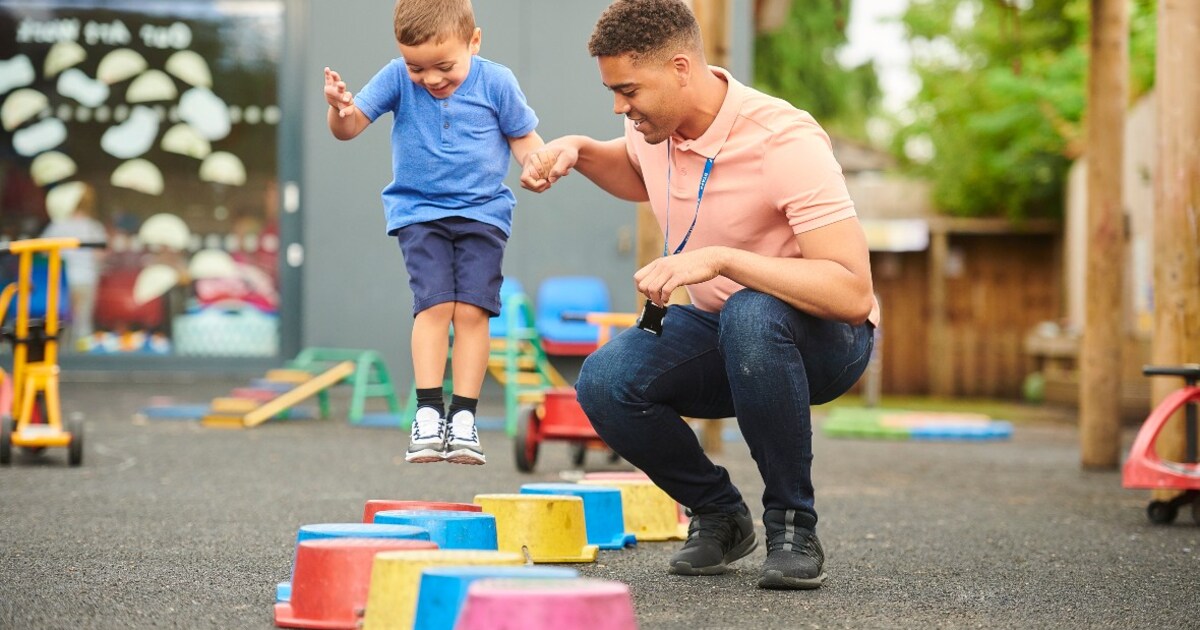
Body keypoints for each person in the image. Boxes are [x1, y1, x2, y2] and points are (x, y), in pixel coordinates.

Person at [519, 0, 878, 589]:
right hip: (727, 330)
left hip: (825, 338)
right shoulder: (656, 129)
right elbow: (637, 174)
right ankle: (719, 514)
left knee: (751, 310)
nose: (619, 106)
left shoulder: (782, 139)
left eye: (628, 90)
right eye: (612, 91)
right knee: (605, 381)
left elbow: (851, 293)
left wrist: (720, 260)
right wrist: (578, 151)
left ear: (681, 67)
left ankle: (792, 524)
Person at [324, 0, 545, 465]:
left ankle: (463, 418)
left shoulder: (497, 82)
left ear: (474, 41)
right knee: (435, 304)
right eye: (417, 67)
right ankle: (428, 413)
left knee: (473, 312)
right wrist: (339, 110)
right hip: (418, 211)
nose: (431, 79)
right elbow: (349, 128)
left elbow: (523, 137)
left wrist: (539, 165)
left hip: (483, 213)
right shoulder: (395, 77)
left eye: (444, 66)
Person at [40, 182, 107, 349]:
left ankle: (59, 355)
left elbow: (42, 250)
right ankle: (83, 359)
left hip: (61, 280)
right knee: (83, 322)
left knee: (60, 320)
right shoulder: (93, 227)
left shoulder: (58, 225)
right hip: (86, 278)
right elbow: (101, 254)